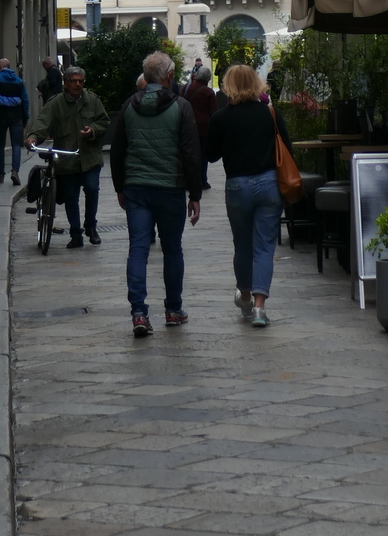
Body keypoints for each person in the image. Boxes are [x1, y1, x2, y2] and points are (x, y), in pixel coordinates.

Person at [109, 53, 203, 337]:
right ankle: (173, 309)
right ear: (169, 76)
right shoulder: (182, 107)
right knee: (172, 248)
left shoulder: (128, 107)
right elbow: (190, 153)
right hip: (170, 188)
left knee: (138, 249)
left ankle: (139, 314)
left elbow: (117, 151)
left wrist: (119, 187)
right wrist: (195, 194)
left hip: (137, 187)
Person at [204, 63, 292, 327]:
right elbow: (287, 148)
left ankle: (244, 296)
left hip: (237, 186)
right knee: (264, 247)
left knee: (242, 245)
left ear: (228, 85)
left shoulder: (220, 118)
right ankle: (259, 307)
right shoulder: (270, 113)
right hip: (268, 183)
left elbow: (211, 155)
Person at [27, 64, 109, 247]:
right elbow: (42, 122)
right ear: (65, 83)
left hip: (89, 157)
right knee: (71, 196)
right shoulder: (56, 103)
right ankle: (75, 233)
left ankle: (91, 226)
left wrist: (93, 130)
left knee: (92, 189)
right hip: (67, 159)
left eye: (80, 81)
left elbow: (104, 121)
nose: (78, 84)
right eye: (73, 81)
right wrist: (33, 138)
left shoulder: (93, 101)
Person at [0, 57, 30, 185]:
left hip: (1, 116)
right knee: (16, 145)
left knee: (0, 145)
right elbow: (25, 101)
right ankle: (15, 171)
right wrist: (25, 118)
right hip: (16, 116)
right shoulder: (19, 82)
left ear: (1, 67)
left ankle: (1, 174)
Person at [182, 62, 218, 192]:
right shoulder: (208, 92)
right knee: (203, 155)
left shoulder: (186, 87)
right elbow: (214, 111)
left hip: (187, 126)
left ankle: (187, 179)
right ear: (208, 79)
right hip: (203, 128)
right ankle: (202, 180)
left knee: (188, 154)